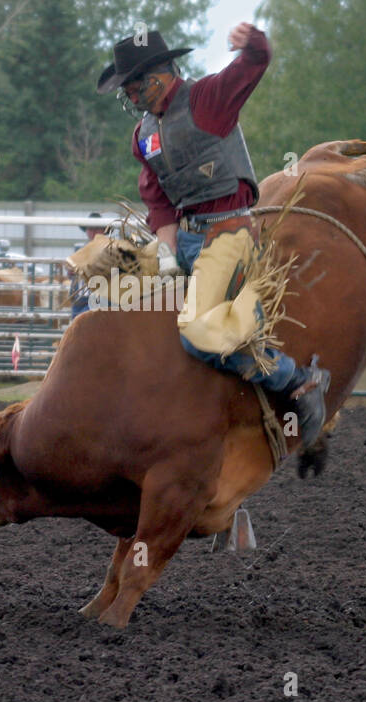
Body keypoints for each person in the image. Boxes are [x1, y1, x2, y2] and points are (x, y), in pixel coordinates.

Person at [96, 22, 330, 446]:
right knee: (96, 278)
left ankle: (296, 377)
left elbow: (256, 62)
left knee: (200, 335)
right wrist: (165, 250)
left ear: (160, 75)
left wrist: (253, 42)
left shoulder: (207, 100)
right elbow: (158, 197)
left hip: (230, 233)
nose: (130, 97)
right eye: (126, 90)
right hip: (181, 235)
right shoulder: (143, 135)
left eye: (134, 87)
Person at [69, 211, 107, 319]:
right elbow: (71, 273)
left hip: (98, 297)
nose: (93, 232)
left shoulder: (109, 248)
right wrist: (71, 270)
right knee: (77, 323)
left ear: (103, 230)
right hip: (79, 297)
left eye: (96, 228)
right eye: (90, 229)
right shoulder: (80, 249)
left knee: (85, 323)